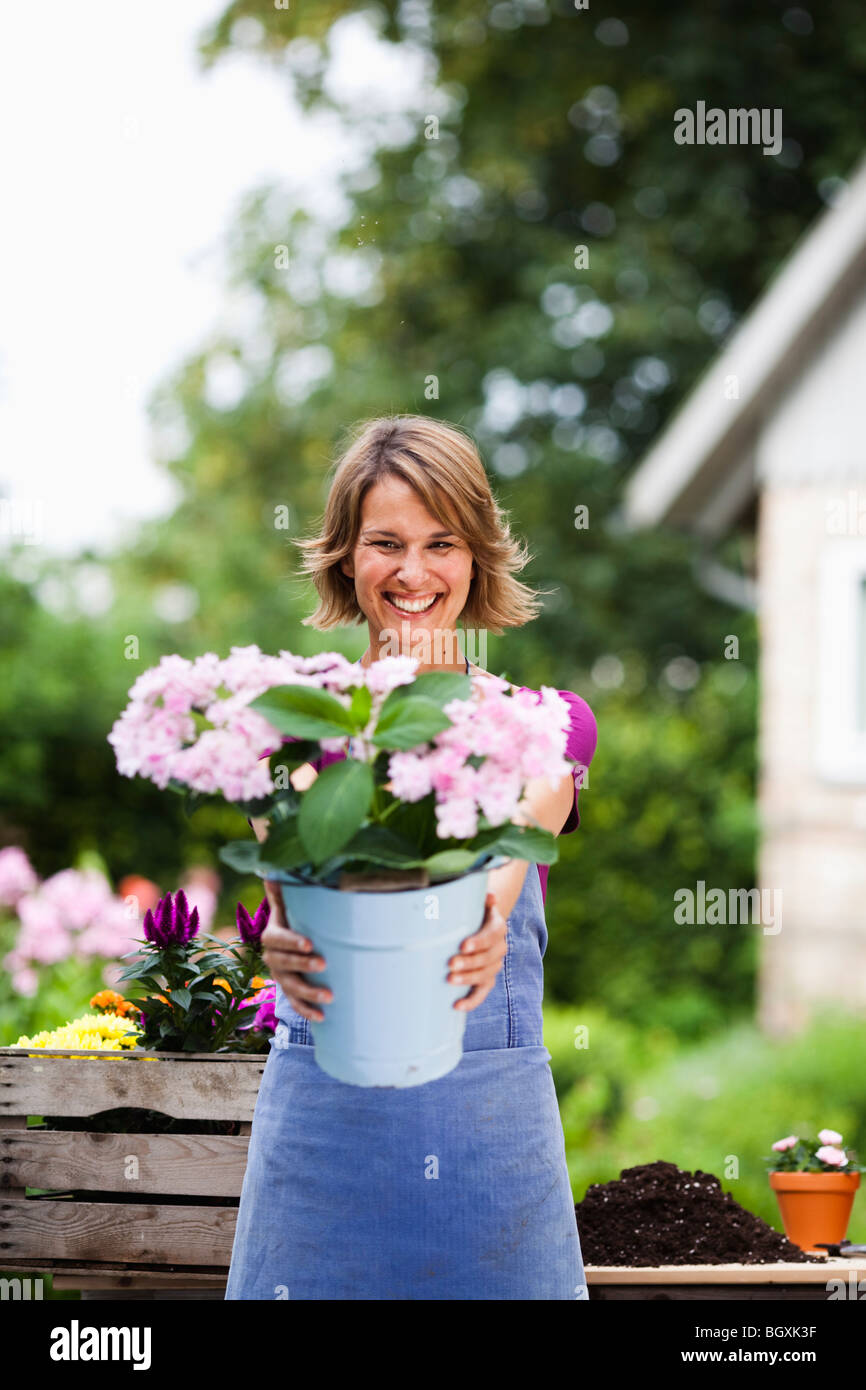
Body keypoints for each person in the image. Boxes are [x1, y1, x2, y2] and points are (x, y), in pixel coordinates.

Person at [225, 416, 597, 1300]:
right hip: (324, 1138)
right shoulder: (288, 726)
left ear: (478, 557)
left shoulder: (547, 722)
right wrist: (278, 942)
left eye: (442, 543)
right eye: (385, 543)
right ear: (345, 559)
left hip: (489, 1143)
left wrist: (492, 915)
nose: (415, 573)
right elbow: (281, 889)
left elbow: (535, 806)